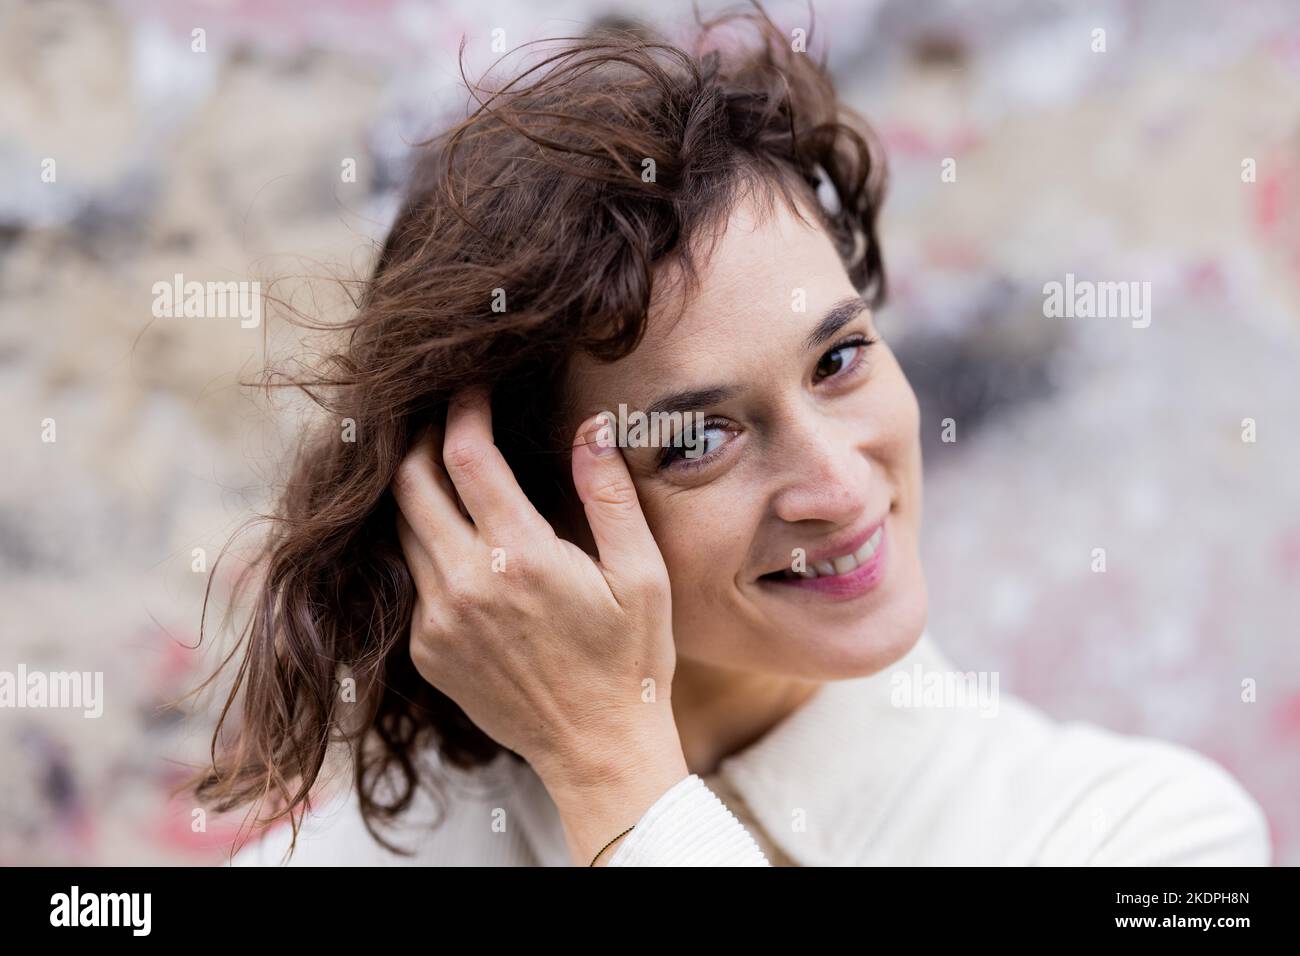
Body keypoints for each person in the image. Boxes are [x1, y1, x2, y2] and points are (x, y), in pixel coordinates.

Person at [194, 8, 1271, 867]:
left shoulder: (1135, 837)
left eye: (838, 360)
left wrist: (623, 783)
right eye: (699, 438)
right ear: (513, 513)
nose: (838, 486)